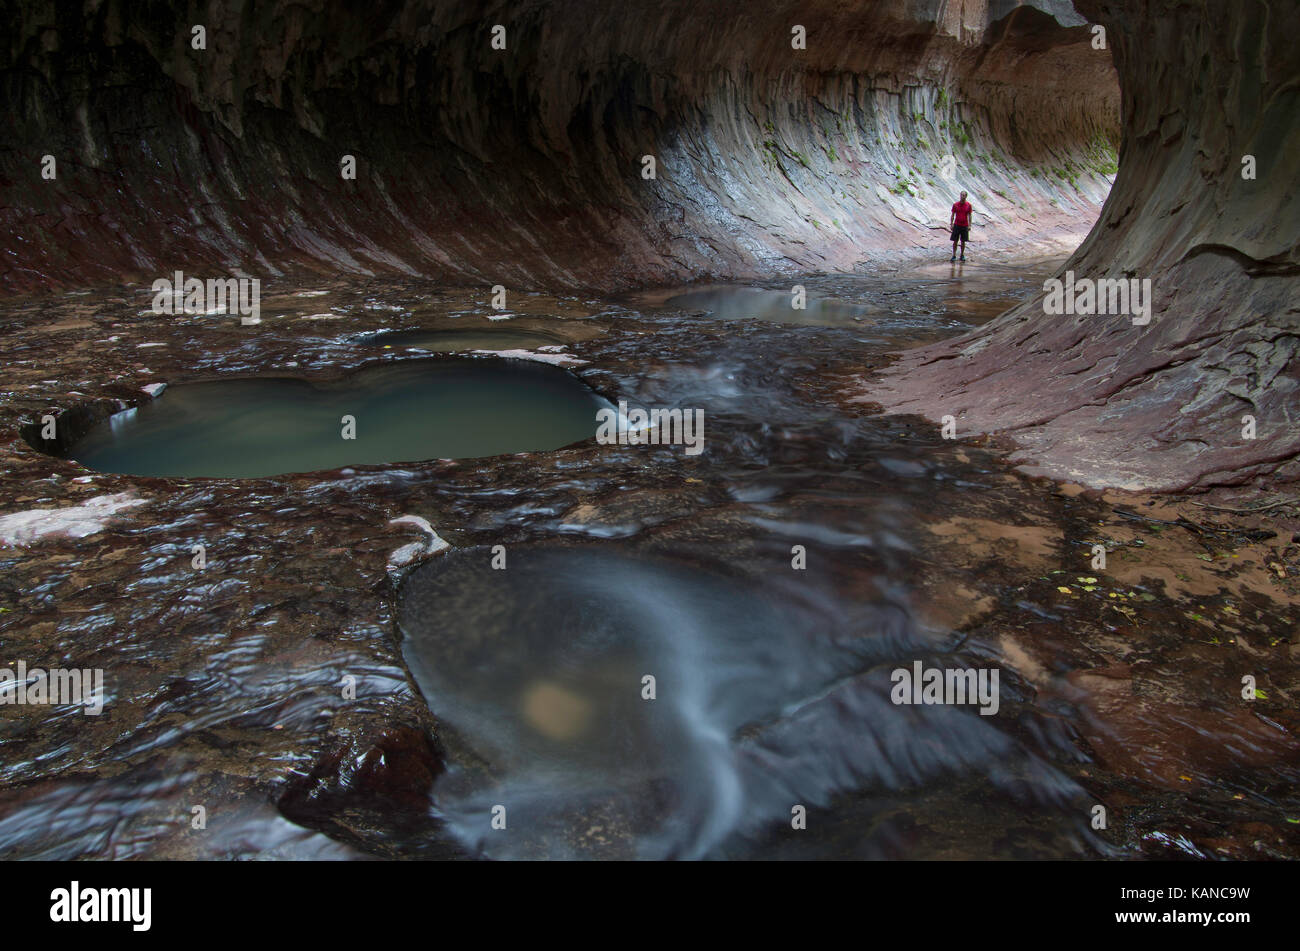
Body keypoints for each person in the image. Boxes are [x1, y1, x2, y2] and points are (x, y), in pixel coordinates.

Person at [949, 191, 974, 262]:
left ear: (966, 196)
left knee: (963, 241)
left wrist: (969, 225)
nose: (962, 196)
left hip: (964, 225)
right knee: (955, 241)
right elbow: (953, 214)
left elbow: (969, 215)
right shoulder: (955, 205)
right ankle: (954, 255)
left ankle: (962, 255)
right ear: (960, 195)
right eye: (961, 195)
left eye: (964, 195)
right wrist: (951, 224)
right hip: (957, 224)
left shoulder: (968, 205)